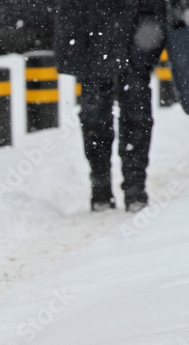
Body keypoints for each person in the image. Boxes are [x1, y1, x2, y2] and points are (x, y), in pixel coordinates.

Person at [54, 0, 171, 212]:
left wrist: (149, 39)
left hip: (132, 37)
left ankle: (134, 187)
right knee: (96, 118)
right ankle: (101, 185)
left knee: (136, 116)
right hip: (93, 38)